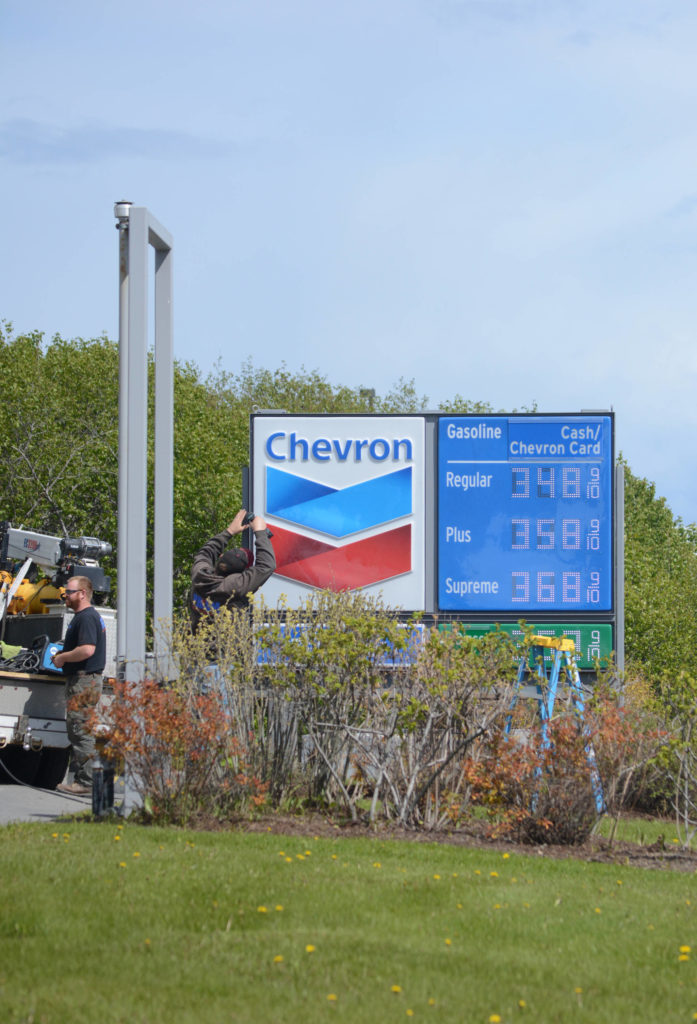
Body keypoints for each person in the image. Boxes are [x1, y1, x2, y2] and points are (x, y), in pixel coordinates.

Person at [50, 575, 106, 795]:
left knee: (81, 730)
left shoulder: (87, 617)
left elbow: (87, 649)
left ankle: (87, 782)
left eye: (70, 592)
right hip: (83, 680)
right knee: (80, 729)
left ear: (82, 594)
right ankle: (87, 780)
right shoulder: (83, 617)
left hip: (84, 681)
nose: (65, 595)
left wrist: (62, 658)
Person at [190, 509, 276, 633]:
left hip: (194, 643)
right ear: (241, 573)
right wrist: (261, 533)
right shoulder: (234, 587)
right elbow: (266, 566)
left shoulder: (199, 575)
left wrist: (229, 531)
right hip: (225, 645)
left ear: (220, 557)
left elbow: (206, 553)